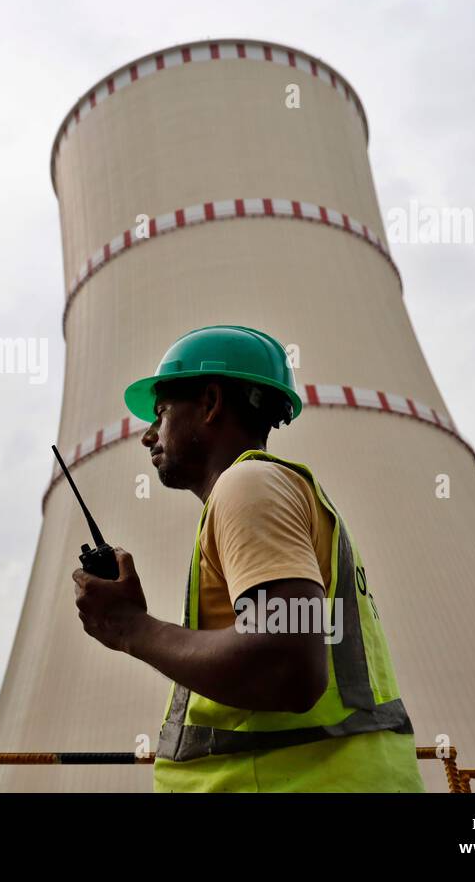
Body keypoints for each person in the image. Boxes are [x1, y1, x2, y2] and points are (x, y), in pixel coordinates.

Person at [72, 325, 426, 792]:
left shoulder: (249, 487)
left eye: (161, 413)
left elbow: (286, 665)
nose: (148, 435)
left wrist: (132, 628)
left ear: (211, 402)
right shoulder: (276, 494)